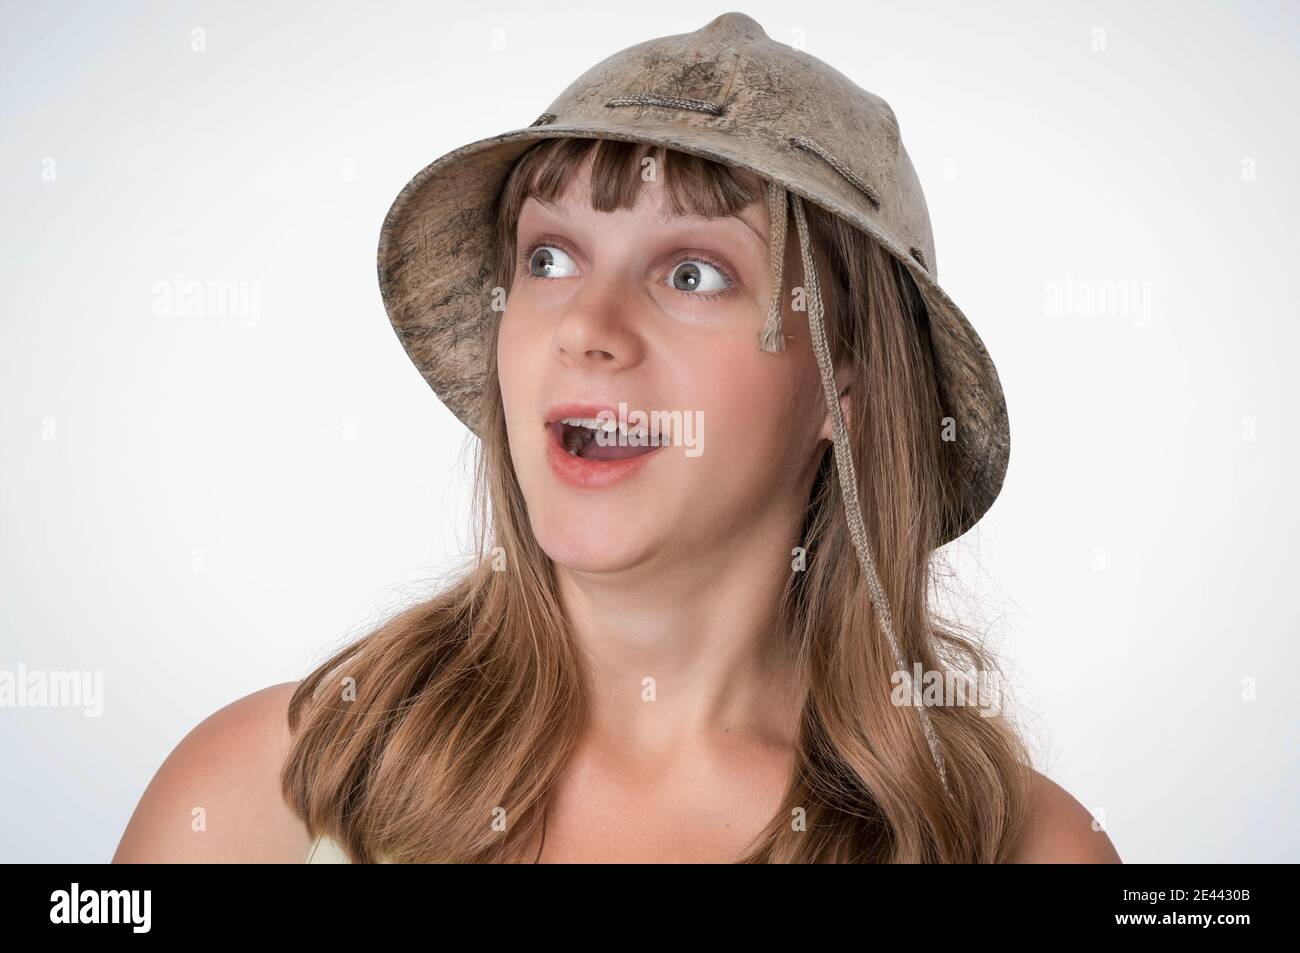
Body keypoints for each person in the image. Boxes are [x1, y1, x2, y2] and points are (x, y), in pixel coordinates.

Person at [113, 13, 1120, 864]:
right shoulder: (263, 796)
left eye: (692, 274)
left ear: (844, 384)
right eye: (549, 257)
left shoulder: (1019, 846)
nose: (586, 326)